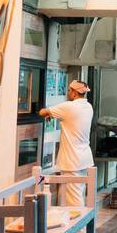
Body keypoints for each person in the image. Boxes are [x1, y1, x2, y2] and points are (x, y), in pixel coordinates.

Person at [39, 78, 94, 206]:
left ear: (75, 93)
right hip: (84, 158)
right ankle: (77, 223)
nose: (68, 93)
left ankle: (79, 226)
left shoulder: (69, 106)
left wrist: (49, 113)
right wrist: (54, 115)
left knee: (73, 200)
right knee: (78, 194)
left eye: (69, 90)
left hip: (72, 161)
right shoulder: (88, 107)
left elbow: (43, 112)